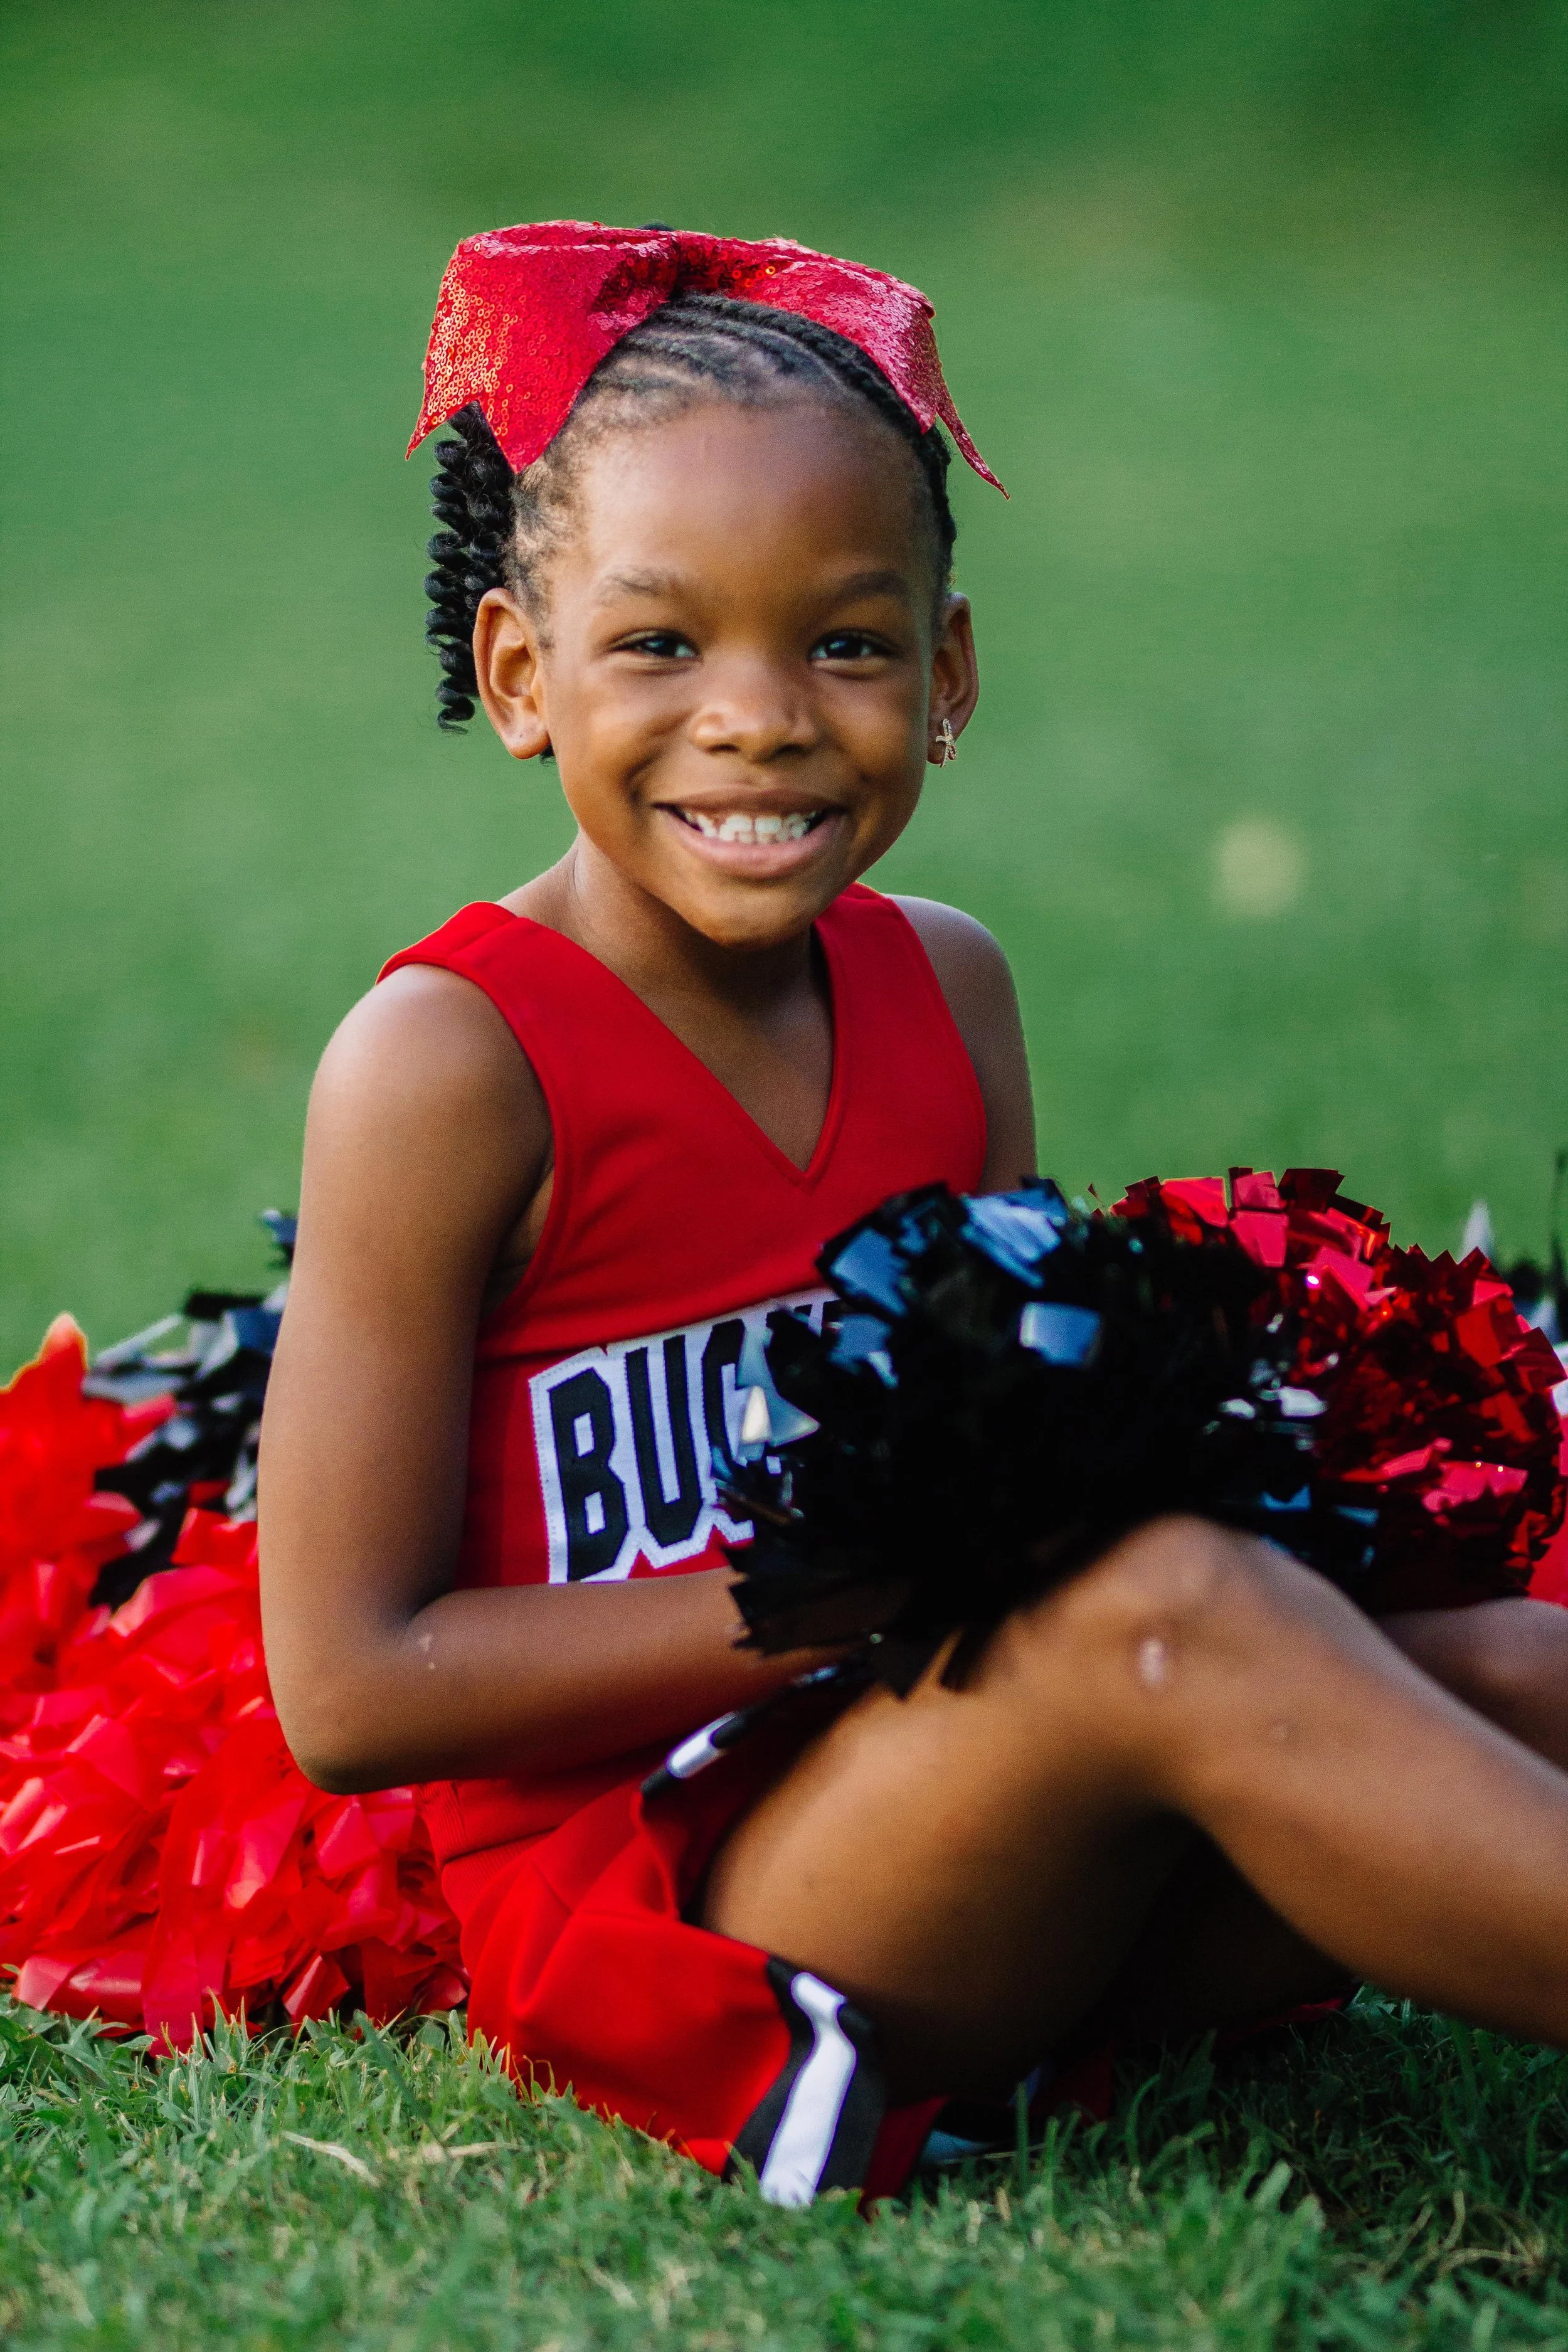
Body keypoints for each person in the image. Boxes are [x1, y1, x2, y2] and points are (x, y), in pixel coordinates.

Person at [258, 222, 1568, 2208]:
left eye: (845, 644)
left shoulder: (946, 984)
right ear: (520, 672)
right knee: (1162, 1609)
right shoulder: (447, 1061)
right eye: (660, 644)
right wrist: (862, 1583)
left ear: (945, 674)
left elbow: (1017, 1436)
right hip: (677, 1885)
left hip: (964, 1778)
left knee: (1502, 1652)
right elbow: (351, 1688)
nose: (760, 717)